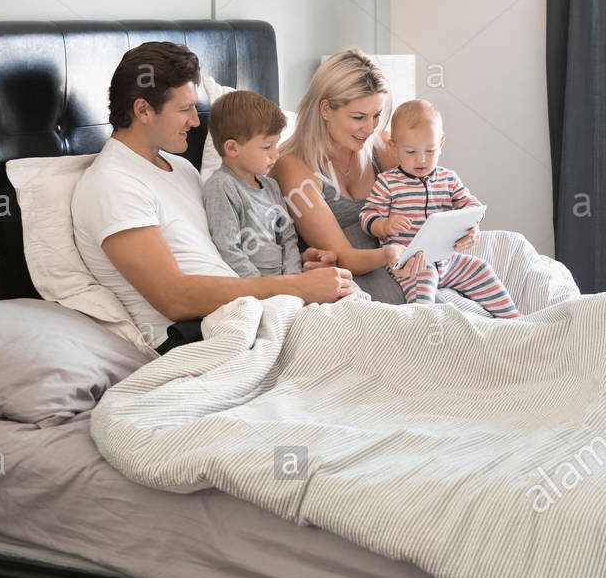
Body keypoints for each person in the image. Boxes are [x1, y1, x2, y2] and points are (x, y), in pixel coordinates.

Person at [71, 41, 353, 353]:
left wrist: (295, 268)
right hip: (197, 336)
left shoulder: (181, 169)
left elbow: (219, 252)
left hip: (248, 311)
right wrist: (295, 287)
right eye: (184, 109)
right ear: (143, 110)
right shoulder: (112, 184)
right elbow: (175, 298)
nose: (195, 120)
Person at [271, 49, 480, 304]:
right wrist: (389, 255)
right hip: (361, 270)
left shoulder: (379, 144)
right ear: (325, 109)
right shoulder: (294, 166)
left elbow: (431, 194)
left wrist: (463, 227)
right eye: (358, 117)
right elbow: (343, 254)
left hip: (408, 258)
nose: (370, 128)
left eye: (377, 116)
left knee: (509, 250)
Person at [360, 100, 520, 317]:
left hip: (448, 260)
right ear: (394, 147)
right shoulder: (388, 182)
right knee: (424, 280)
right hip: (411, 263)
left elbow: (470, 204)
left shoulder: (448, 178)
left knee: (481, 269)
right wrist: (384, 224)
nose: (421, 159)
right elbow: (367, 216)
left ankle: (513, 319)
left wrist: (473, 227)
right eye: (410, 152)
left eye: (430, 150)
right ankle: (425, 328)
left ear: (441, 143)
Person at [201, 89, 303, 278]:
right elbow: (228, 248)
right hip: (256, 287)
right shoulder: (222, 186)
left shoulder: (271, 186)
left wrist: (294, 278)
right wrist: (265, 287)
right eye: (267, 146)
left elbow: (288, 238)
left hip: (285, 284)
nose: (276, 154)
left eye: (276, 144)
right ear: (232, 148)